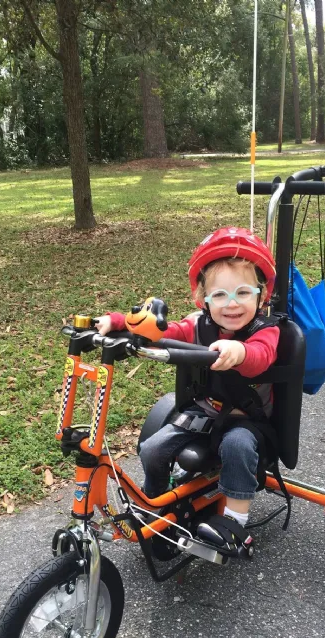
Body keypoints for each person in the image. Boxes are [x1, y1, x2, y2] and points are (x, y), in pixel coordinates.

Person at [95, 226, 279, 555]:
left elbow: (260, 357)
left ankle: (235, 525)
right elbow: (161, 330)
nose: (232, 304)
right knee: (153, 449)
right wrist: (119, 322)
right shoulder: (198, 324)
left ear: (261, 295)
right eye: (220, 295)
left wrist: (239, 353)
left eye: (243, 293)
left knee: (237, 446)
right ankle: (158, 505)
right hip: (204, 413)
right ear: (203, 299)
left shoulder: (266, 331)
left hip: (247, 421)